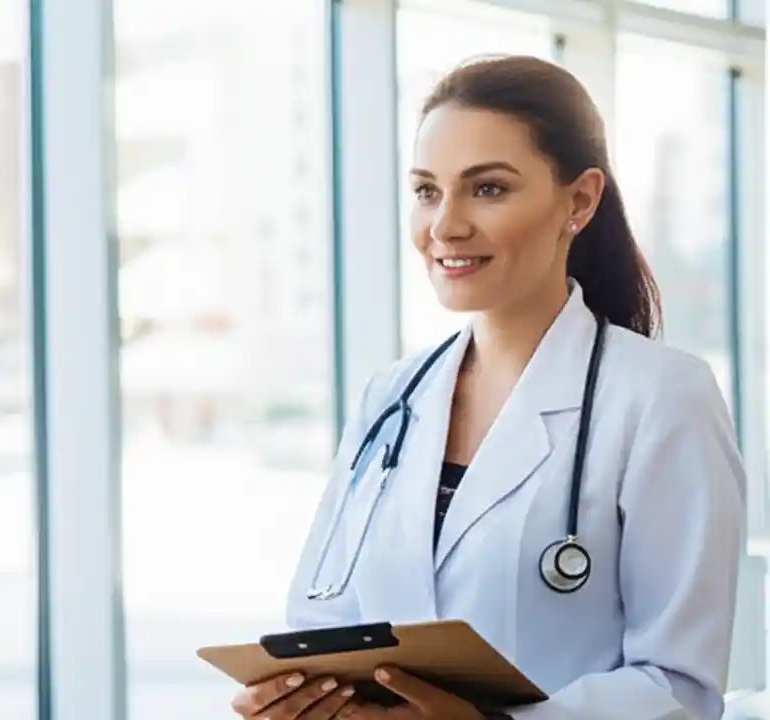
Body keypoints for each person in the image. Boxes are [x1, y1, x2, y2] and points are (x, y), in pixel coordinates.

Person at [231, 55, 745, 720]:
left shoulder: (661, 398)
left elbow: (681, 689)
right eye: (426, 191)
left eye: (488, 189)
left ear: (579, 201)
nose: (445, 225)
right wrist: (299, 697)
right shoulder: (392, 398)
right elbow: (323, 620)